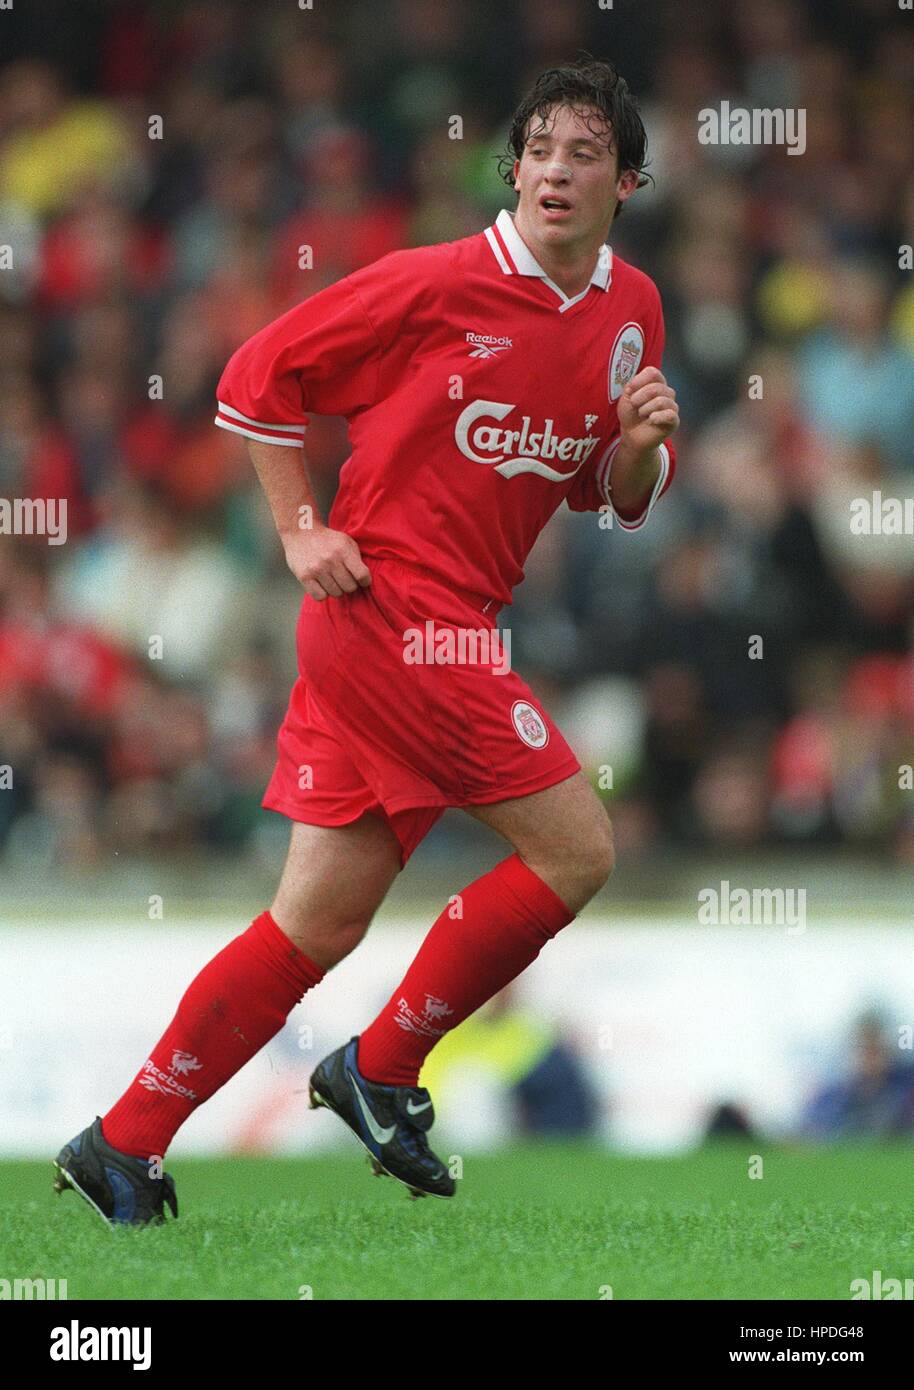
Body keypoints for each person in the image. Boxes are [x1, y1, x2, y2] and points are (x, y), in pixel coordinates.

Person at [54, 58, 679, 1220]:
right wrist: (299, 529)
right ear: (513, 168)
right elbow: (257, 378)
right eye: (537, 146)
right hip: (393, 616)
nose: (553, 168)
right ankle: (381, 1065)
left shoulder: (629, 311)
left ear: (624, 182)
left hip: (435, 628)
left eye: (582, 152)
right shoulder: (433, 283)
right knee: (579, 848)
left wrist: (641, 440)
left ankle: (121, 1144)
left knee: (315, 924)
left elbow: (609, 492)